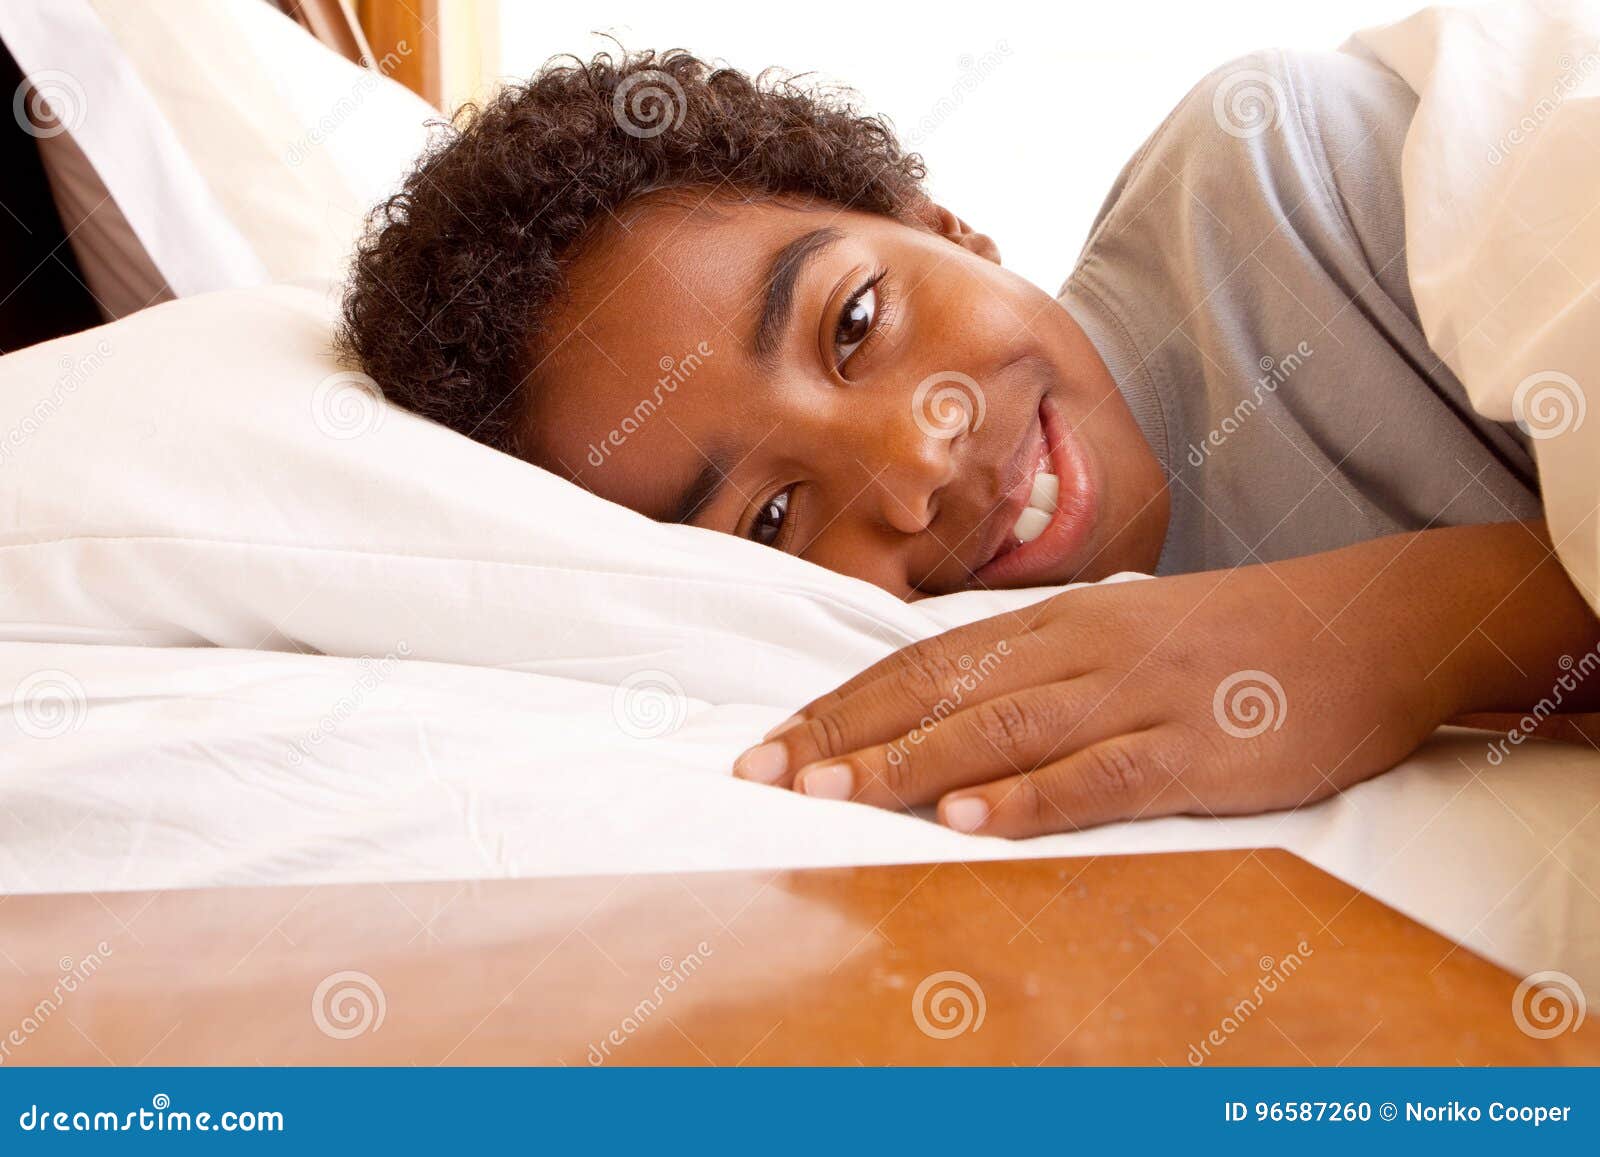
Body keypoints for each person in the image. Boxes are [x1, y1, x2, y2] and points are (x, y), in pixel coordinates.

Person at [338, 46, 1600, 837]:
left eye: (856, 318)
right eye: (771, 517)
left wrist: (1422, 624)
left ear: (941, 222)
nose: (912, 464)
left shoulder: (1295, 172)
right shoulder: (915, 677)